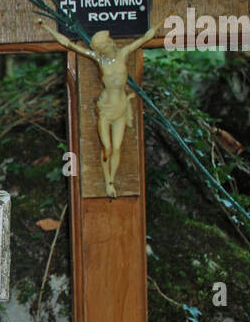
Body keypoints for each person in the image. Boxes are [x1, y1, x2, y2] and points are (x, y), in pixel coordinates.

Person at [35, 19, 158, 197]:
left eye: (107, 43)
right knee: (107, 148)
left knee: (117, 148)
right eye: (103, 45)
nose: (108, 45)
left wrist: (162, 21)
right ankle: (107, 178)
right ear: (100, 49)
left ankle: (110, 182)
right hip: (106, 108)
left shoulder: (123, 54)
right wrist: (46, 27)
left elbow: (145, 38)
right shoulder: (99, 59)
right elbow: (69, 44)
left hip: (121, 106)